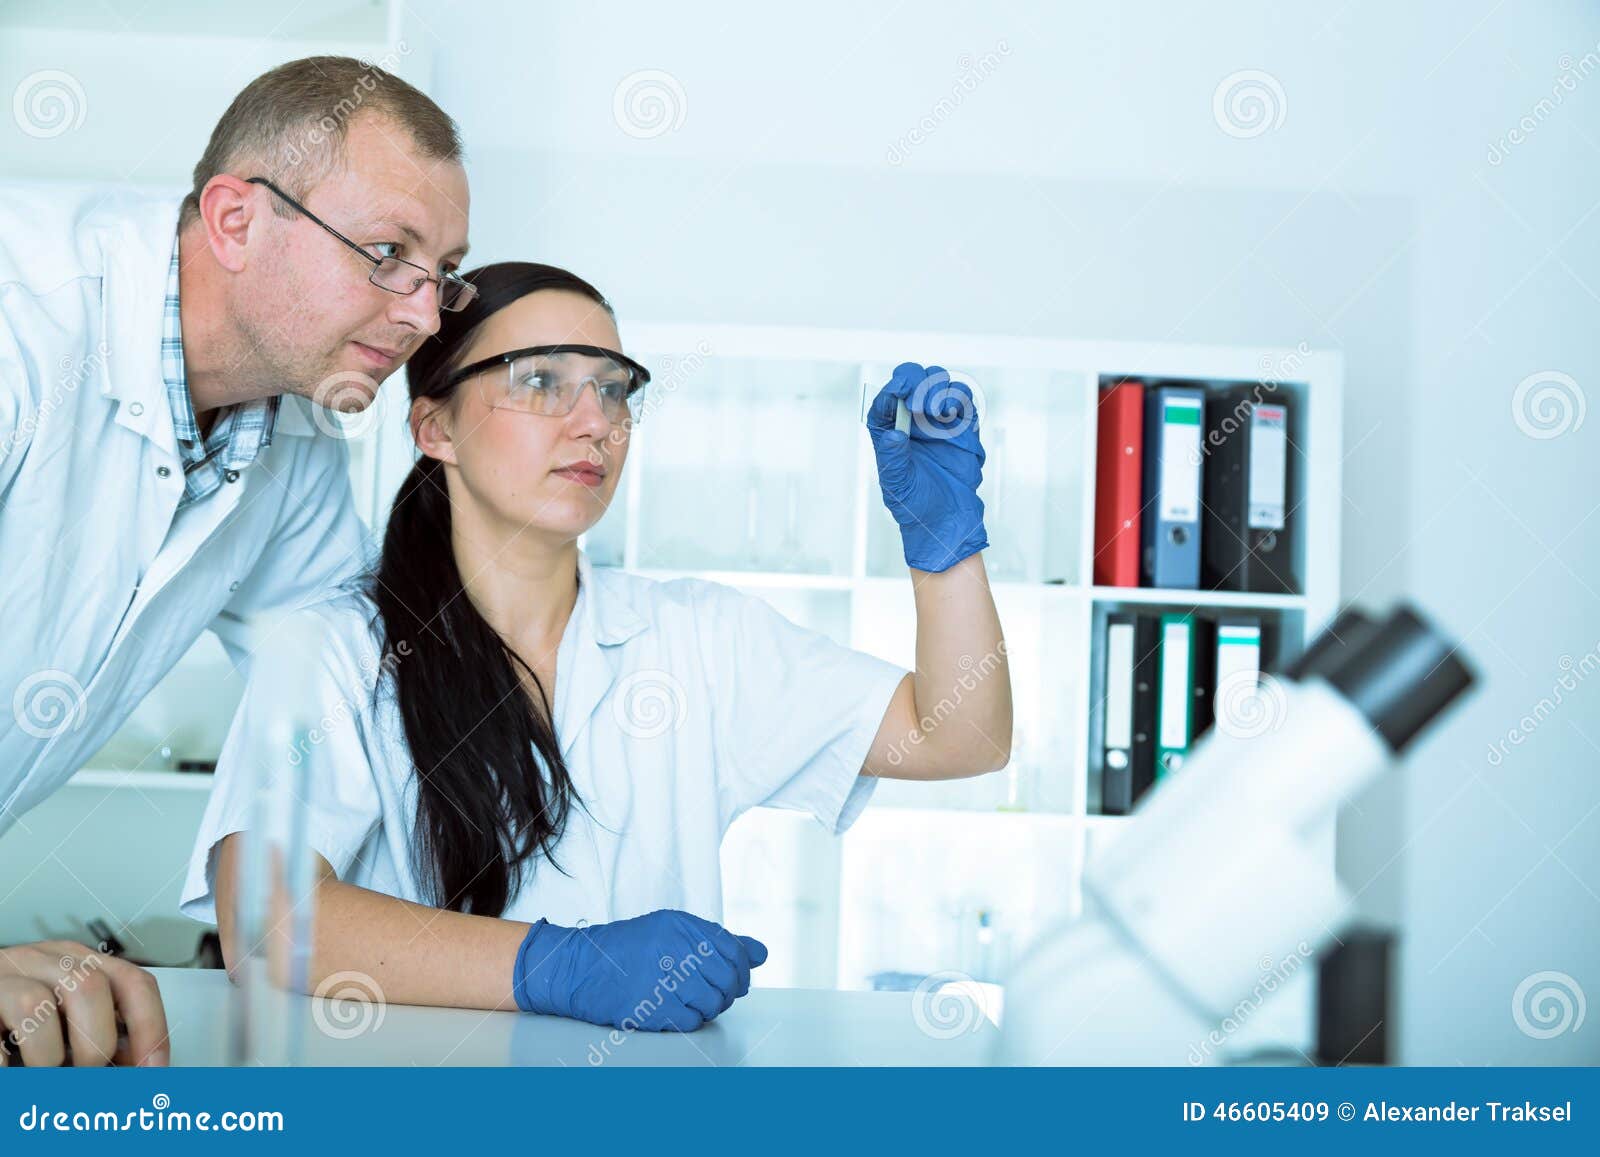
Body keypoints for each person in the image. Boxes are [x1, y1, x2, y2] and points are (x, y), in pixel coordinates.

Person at [181, 261, 1013, 1033]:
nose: (594, 423)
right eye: (541, 381)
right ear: (435, 427)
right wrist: (556, 963)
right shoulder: (335, 651)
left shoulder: (699, 639)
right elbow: (264, 920)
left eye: (614, 391)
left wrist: (943, 549)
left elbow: (961, 735)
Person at [0, 56, 471, 1064]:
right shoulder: (21, 321)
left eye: (442, 273)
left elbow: (346, 715)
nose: (426, 315)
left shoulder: (292, 454)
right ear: (235, 221)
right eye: (388, 252)